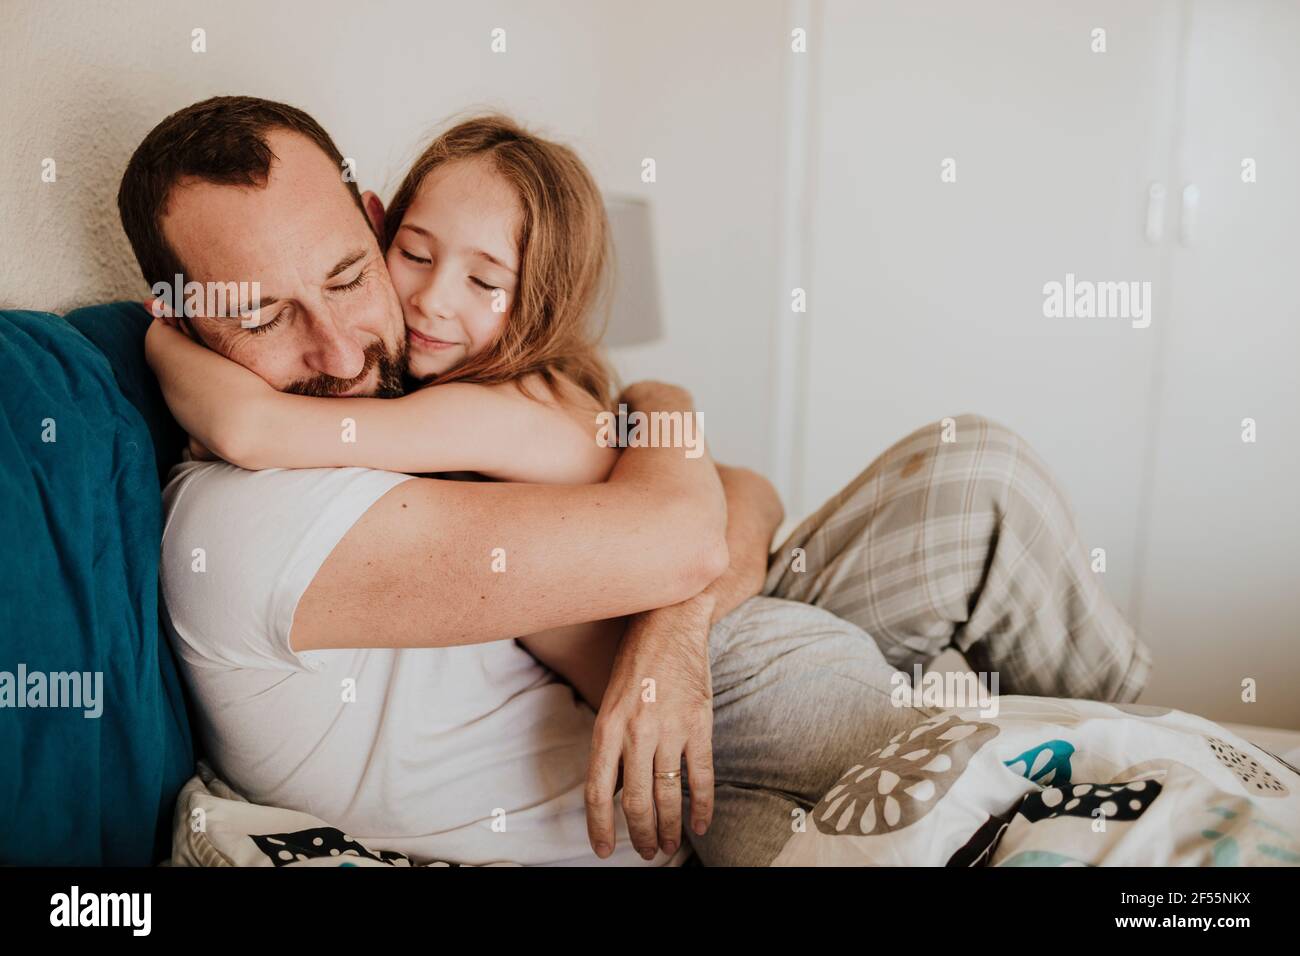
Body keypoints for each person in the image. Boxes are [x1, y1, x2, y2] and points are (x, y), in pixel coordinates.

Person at [121, 96, 1152, 866]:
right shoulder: (252, 517)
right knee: (993, 795)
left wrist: (676, 631)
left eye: (351, 275)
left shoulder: (447, 401)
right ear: (178, 316)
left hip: (739, 639)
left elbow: (732, 496)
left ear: (372, 220)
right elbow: (686, 523)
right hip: (717, 749)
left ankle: (1152, 745)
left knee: (976, 467)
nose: (341, 345)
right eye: (259, 316)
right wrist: (234, 410)